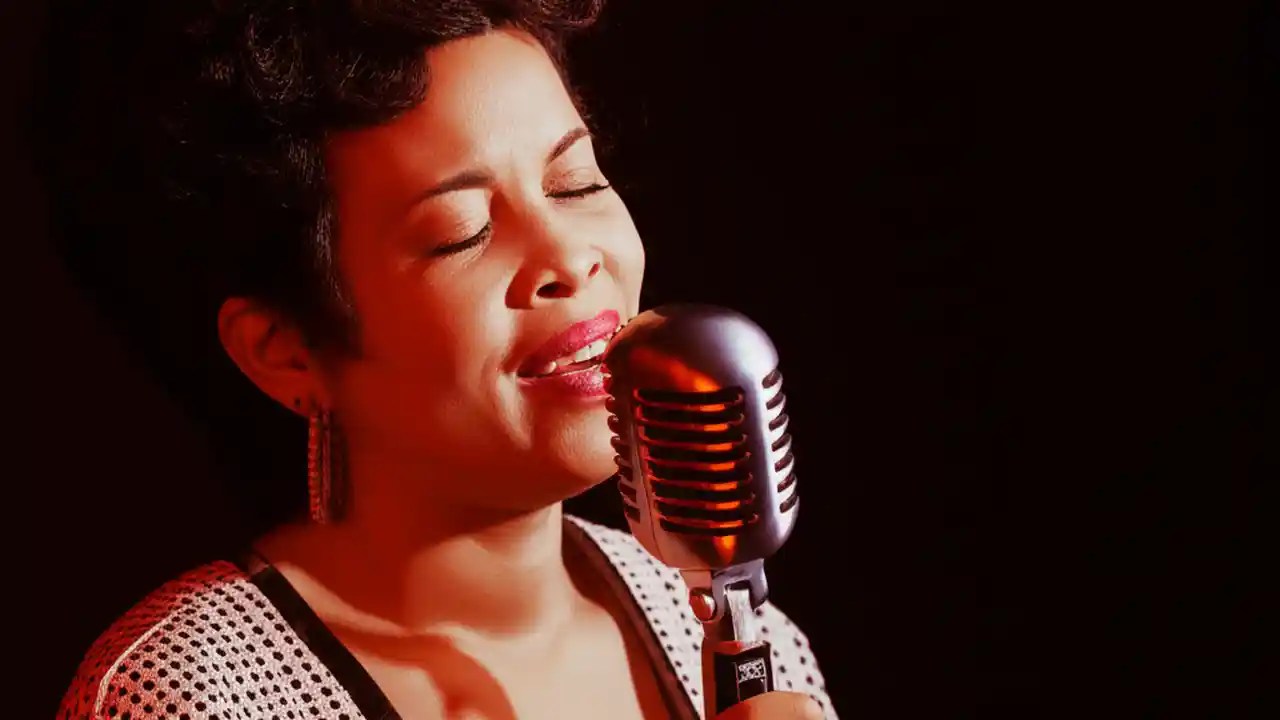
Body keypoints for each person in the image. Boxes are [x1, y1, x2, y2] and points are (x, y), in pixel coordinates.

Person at [46, 1, 835, 718]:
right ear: (284, 352)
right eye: (462, 230)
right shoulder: (190, 695)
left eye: (575, 182)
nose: (569, 255)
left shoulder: (754, 648)